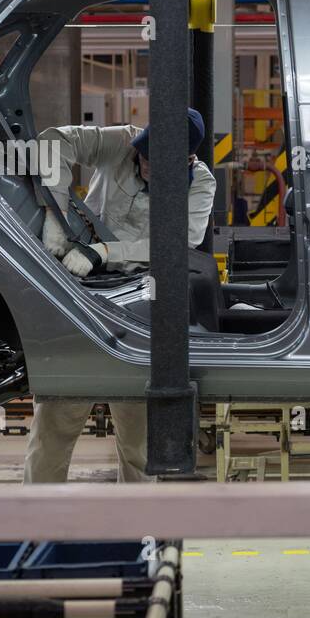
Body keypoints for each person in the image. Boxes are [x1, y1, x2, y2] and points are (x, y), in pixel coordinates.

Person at [24, 108, 216, 484]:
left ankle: (139, 532)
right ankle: (37, 526)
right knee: (54, 429)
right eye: (144, 157)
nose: (145, 165)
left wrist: (105, 253)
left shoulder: (201, 183)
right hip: (81, 296)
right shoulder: (121, 142)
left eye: (158, 163)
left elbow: (179, 244)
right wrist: (54, 208)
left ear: (187, 159)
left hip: (139, 305)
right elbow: (52, 139)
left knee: (139, 443)